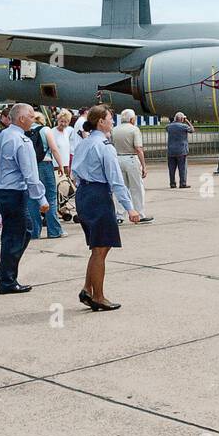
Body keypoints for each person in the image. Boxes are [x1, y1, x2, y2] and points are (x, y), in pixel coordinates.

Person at [73, 105, 141, 312]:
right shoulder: (104, 146)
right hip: (98, 195)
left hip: (83, 194)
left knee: (97, 247)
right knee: (101, 248)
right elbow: (116, 180)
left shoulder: (84, 143)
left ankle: (87, 289)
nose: (112, 122)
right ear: (100, 122)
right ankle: (99, 297)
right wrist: (130, 208)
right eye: (110, 118)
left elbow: (75, 172)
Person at [0, 102, 47, 295]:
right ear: (22, 119)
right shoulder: (22, 141)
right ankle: (7, 280)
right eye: (31, 116)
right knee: (16, 236)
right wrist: (41, 200)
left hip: (3, 191)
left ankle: (5, 271)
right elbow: (30, 174)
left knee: (23, 231)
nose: (34, 119)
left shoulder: (6, 134)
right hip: (14, 193)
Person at [26, 112, 65, 238]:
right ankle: (54, 230)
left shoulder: (25, 130)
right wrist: (60, 165)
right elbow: (54, 148)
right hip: (45, 164)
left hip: (31, 166)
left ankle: (34, 232)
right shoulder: (46, 130)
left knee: (32, 198)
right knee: (51, 197)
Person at [112, 109, 153, 223]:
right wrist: (144, 166)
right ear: (132, 119)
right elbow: (138, 148)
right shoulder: (134, 129)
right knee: (137, 188)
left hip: (118, 158)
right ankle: (139, 213)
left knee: (121, 188)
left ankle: (119, 215)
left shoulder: (114, 130)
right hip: (131, 158)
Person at [167, 112, 193, 188]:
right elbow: (192, 130)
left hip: (171, 151)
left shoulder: (169, 127)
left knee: (172, 169)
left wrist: (175, 121)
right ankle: (182, 183)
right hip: (181, 151)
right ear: (182, 119)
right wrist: (187, 121)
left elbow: (168, 127)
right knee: (182, 168)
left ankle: (172, 183)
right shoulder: (184, 126)